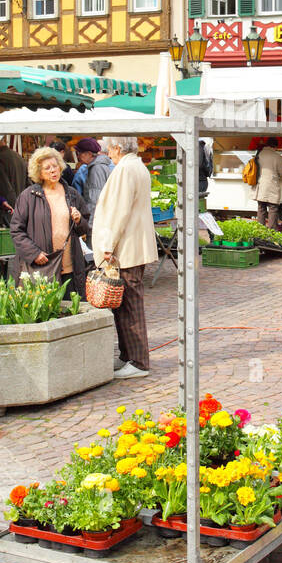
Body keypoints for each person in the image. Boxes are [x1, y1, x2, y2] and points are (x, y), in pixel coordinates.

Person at [92, 135, 157, 380]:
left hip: (127, 248)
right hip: (132, 246)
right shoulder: (136, 166)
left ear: (118, 148)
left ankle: (138, 361)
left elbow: (118, 210)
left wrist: (107, 244)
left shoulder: (126, 169)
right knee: (125, 304)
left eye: (110, 149)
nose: (108, 154)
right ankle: (128, 354)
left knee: (129, 305)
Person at [10, 145, 90, 298]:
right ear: (39, 173)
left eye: (55, 166)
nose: (53, 170)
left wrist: (79, 220)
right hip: (41, 267)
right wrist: (34, 253)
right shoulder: (28, 196)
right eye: (47, 168)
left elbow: (85, 228)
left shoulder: (71, 194)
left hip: (70, 268)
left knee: (69, 312)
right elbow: (16, 230)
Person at [73, 138, 113, 227]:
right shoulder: (100, 166)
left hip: (98, 223)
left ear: (89, 154)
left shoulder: (96, 169)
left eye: (79, 153)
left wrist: (89, 226)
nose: (78, 157)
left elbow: (95, 200)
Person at [255, 138, 282, 230]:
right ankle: (272, 232)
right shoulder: (276, 156)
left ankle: (260, 231)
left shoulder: (259, 154)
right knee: (273, 208)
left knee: (261, 208)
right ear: (275, 146)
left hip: (260, 185)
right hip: (272, 185)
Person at [0, 139, 28, 213]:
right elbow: (28, 184)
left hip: (7, 212)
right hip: (21, 208)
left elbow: (5, 190)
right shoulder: (18, 157)